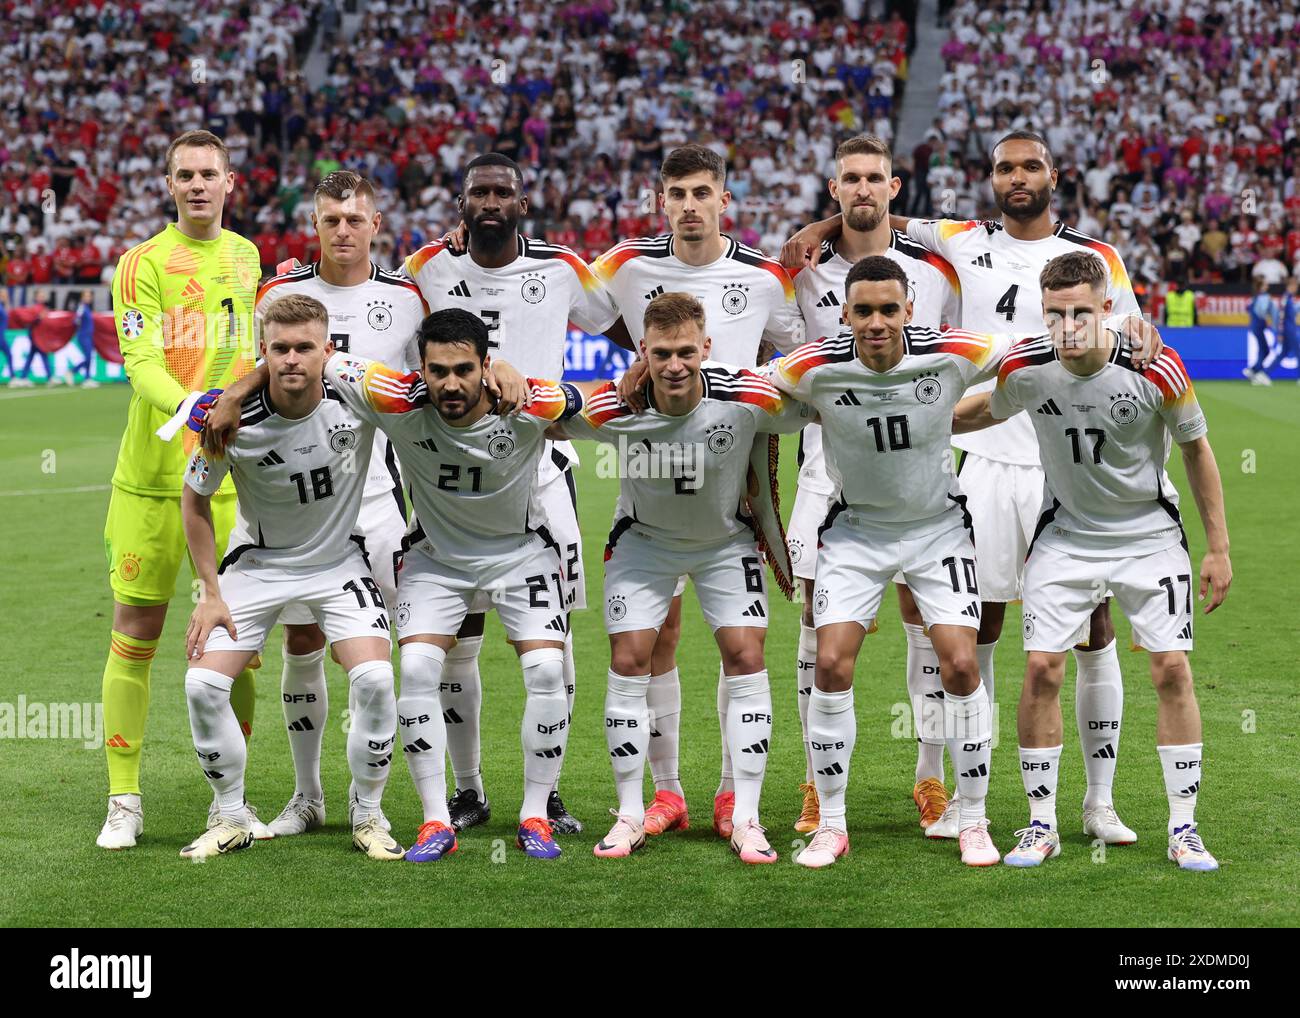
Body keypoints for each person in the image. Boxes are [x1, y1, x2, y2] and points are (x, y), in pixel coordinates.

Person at [782, 130, 1160, 849]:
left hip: (1062, 466)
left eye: (1030, 166)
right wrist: (820, 226)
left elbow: (1131, 328)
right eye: (1005, 168)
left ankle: (1099, 804)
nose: (1017, 178)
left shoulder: (1096, 258)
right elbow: (875, 217)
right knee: (974, 631)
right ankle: (963, 797)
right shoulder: (959, 236)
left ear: (1055, 174)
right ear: (992, 179)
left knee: (1091, 629)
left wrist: (1141, 331)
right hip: (979, 457)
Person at [955, 251, 1231, 871]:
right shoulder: (1028, 368)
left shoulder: (1155, 365)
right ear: (1043, 313)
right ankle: (1040, 823)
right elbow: (978, 412)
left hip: (1150, 537)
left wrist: (1218, 546)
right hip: (1065, 537)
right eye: (1056, 314)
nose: (1069, 326)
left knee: (1171, 672)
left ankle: (1183, 828)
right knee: (1044, 670)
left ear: (1108, 308)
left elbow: (1197, 451)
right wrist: (904, 421)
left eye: (1082, 312)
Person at [200, 170, 429, 837]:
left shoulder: (405, 296)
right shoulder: (282, 288)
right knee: (302, 639)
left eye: (356, 219)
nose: (344, 230)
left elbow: (415, 391)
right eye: (332, 220)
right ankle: (307, 797)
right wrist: (238, 392)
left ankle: (397, 803)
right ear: (317, 224)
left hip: (378, 499)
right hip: (293, 507)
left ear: (375, 223)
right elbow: (266, 362)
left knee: (380, 658)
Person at [545, 292, 812, 863]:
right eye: (661, 353)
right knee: (629, 658)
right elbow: (553, 415)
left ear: (706, 348)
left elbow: (810, 400)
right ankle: (629, 813)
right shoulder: (619, 405)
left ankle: (746, 816)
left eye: (686, 352)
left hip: (724, 543)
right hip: (644, 545)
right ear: (642, 350)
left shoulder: (742, 395)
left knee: (746, 654)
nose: (674, 366)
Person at [401, 153, 618, 835]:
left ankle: (545, 792)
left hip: (541, 465)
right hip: (451, 473)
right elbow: (390, 312)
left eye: (503, 192)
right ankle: (467, 791)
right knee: (457, 641)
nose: (490, 202)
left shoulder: (559, 267)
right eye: (479, 193)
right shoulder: (429, 266)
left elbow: (613, 316)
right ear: (462, 204)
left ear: (522, 203)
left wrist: (647, 355)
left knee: (556, 640)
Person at [590, 143, 802, 840]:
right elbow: (574, 301)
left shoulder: (765, 277)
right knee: (655, 640)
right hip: (653, 467)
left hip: (730, 469)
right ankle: (665, 792)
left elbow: (798, 351)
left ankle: (731, 800)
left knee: (740, 645)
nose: (688, 205)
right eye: (676, 193)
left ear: (723, 201)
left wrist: (757, 392)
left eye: (701, 192)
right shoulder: (624, 265)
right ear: (661, 201)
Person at [322, 309, 586, 861]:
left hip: (519, 554)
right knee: (417, 668)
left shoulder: (528, 404)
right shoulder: (396, 400)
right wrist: (235, 393)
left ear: (486, 366)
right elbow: (319, 357)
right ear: (420, 367)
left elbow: (606, 399)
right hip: (436, 560)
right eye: (437, 370)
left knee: (547, 668)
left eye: (464, 369)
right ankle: (435, 820)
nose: (450, 383)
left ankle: (535, 814)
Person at [773, 255, 1007, 869]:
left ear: (908, 310)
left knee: (960, 663)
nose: (876, 322)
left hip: (938, 531)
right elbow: (748, 387)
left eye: (888, 310)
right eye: (863, 311)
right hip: (854, 533)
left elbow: (1029, 348)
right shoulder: (814, 367)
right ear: (844, 313)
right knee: (829, 661)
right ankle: (832, 821)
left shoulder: (950, 353)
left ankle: (974, 818)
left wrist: (1118, 335)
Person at [180, 294, 402, 860]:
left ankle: (368, 813)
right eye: (279, 349)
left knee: (375, 679)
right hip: (259, 564)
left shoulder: (359, 400)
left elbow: (427, 392)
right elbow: (195, 501)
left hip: (337, 563)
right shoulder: (229, 422)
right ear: (264, 353)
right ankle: (230, 814)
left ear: (329, 351)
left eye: (306, 347)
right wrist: (209, 592)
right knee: (203, 685)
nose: (292, 359)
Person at [785, 134, 962, 837]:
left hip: (918, 474)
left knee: (926, 620)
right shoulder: (800, 270)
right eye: (849, 179)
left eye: (874, 179)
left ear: (895, 188)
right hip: (824, 470)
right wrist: (818, 236)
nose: (862, 188)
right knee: (814, 628)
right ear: (835, 190)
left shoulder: (936, 272)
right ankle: (815, 782)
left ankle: (931, 777)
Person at [97, 130, 265, 850]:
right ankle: (123, 800)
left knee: (240, 643)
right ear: (170, 185)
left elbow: (256, 354)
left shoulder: (248, 257)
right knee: (137, 630)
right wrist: (196, 407)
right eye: (185, 175)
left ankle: (230, 801)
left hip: (228, 480)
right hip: (151, 480)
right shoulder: (141, 265)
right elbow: (140, 363)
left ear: (231, 183)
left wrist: (234, 398)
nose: (198, 185)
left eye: (210, 174)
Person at [1245, 275, 1278, 385]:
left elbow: (1248, 308)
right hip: (1259, 326)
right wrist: (1268, 317)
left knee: (1263, 349)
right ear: (1262, 287)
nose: (1268, 286)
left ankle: (1253, 370)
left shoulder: (1255, 297)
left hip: (1255, 326)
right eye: (1265, 284)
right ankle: (1257, 372)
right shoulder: (1264, 297)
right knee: (1265, 350)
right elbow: (1262, 311)